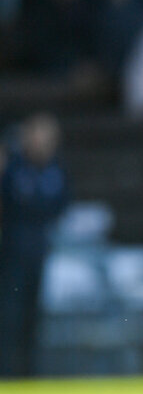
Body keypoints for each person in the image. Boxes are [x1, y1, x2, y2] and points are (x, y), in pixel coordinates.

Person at [0, 113, 69, 377]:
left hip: (40, 252)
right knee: (9, 317)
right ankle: (6, 374)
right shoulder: (13, 167)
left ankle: (30, 375)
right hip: (12, 252)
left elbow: (61, 204)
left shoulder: (55, 169)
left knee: (34, 319)